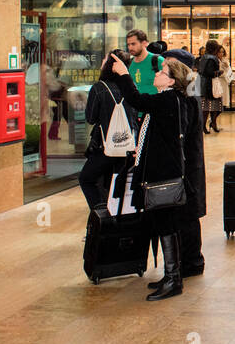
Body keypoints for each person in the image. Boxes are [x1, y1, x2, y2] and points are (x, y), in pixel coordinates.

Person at [108, 54, 204, 300]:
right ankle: (172, 274)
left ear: (172, 82)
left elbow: (136, 99)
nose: (158, 75)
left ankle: (174, 278)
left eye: (163, 72)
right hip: (162, 171)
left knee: (166, 223)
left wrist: (124, 75)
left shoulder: (170, 100)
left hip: (164, 174)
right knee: (164, 223)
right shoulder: (170, 100)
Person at [162, 48, 208, 281]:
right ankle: (187, 261)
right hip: (188, 163)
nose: (163, 68)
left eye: (168, 65)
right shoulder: (188, 93)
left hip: (187, 165)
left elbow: (182, 133)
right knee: (186, 213)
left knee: (187, 213)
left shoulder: (186, 97)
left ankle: (190, 262)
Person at [77, 49, 136, 210]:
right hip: (127, 146)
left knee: (86, 179)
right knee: (114, 182)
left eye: (104, 59)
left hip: (104, 145)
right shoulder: (130, 87)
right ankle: (115, 216)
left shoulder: (99, 88)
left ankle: (101, 217)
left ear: (110, 64)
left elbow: (91, 118)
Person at [125, 30, 164, 99]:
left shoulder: (158, 61)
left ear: (144, 43)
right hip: (135, 108)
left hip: (154, 107)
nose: (130, 48)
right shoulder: (129, 63)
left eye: (133, 44)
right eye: (128, 44)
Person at [199, 40, 224, 135]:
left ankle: (208, 125)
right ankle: (211, 124)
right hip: (211, 85)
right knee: (216, 106)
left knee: (207, 107)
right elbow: (210, 73)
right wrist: (219, 72)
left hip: (204, 85)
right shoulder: (212, 58)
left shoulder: (203, 57)